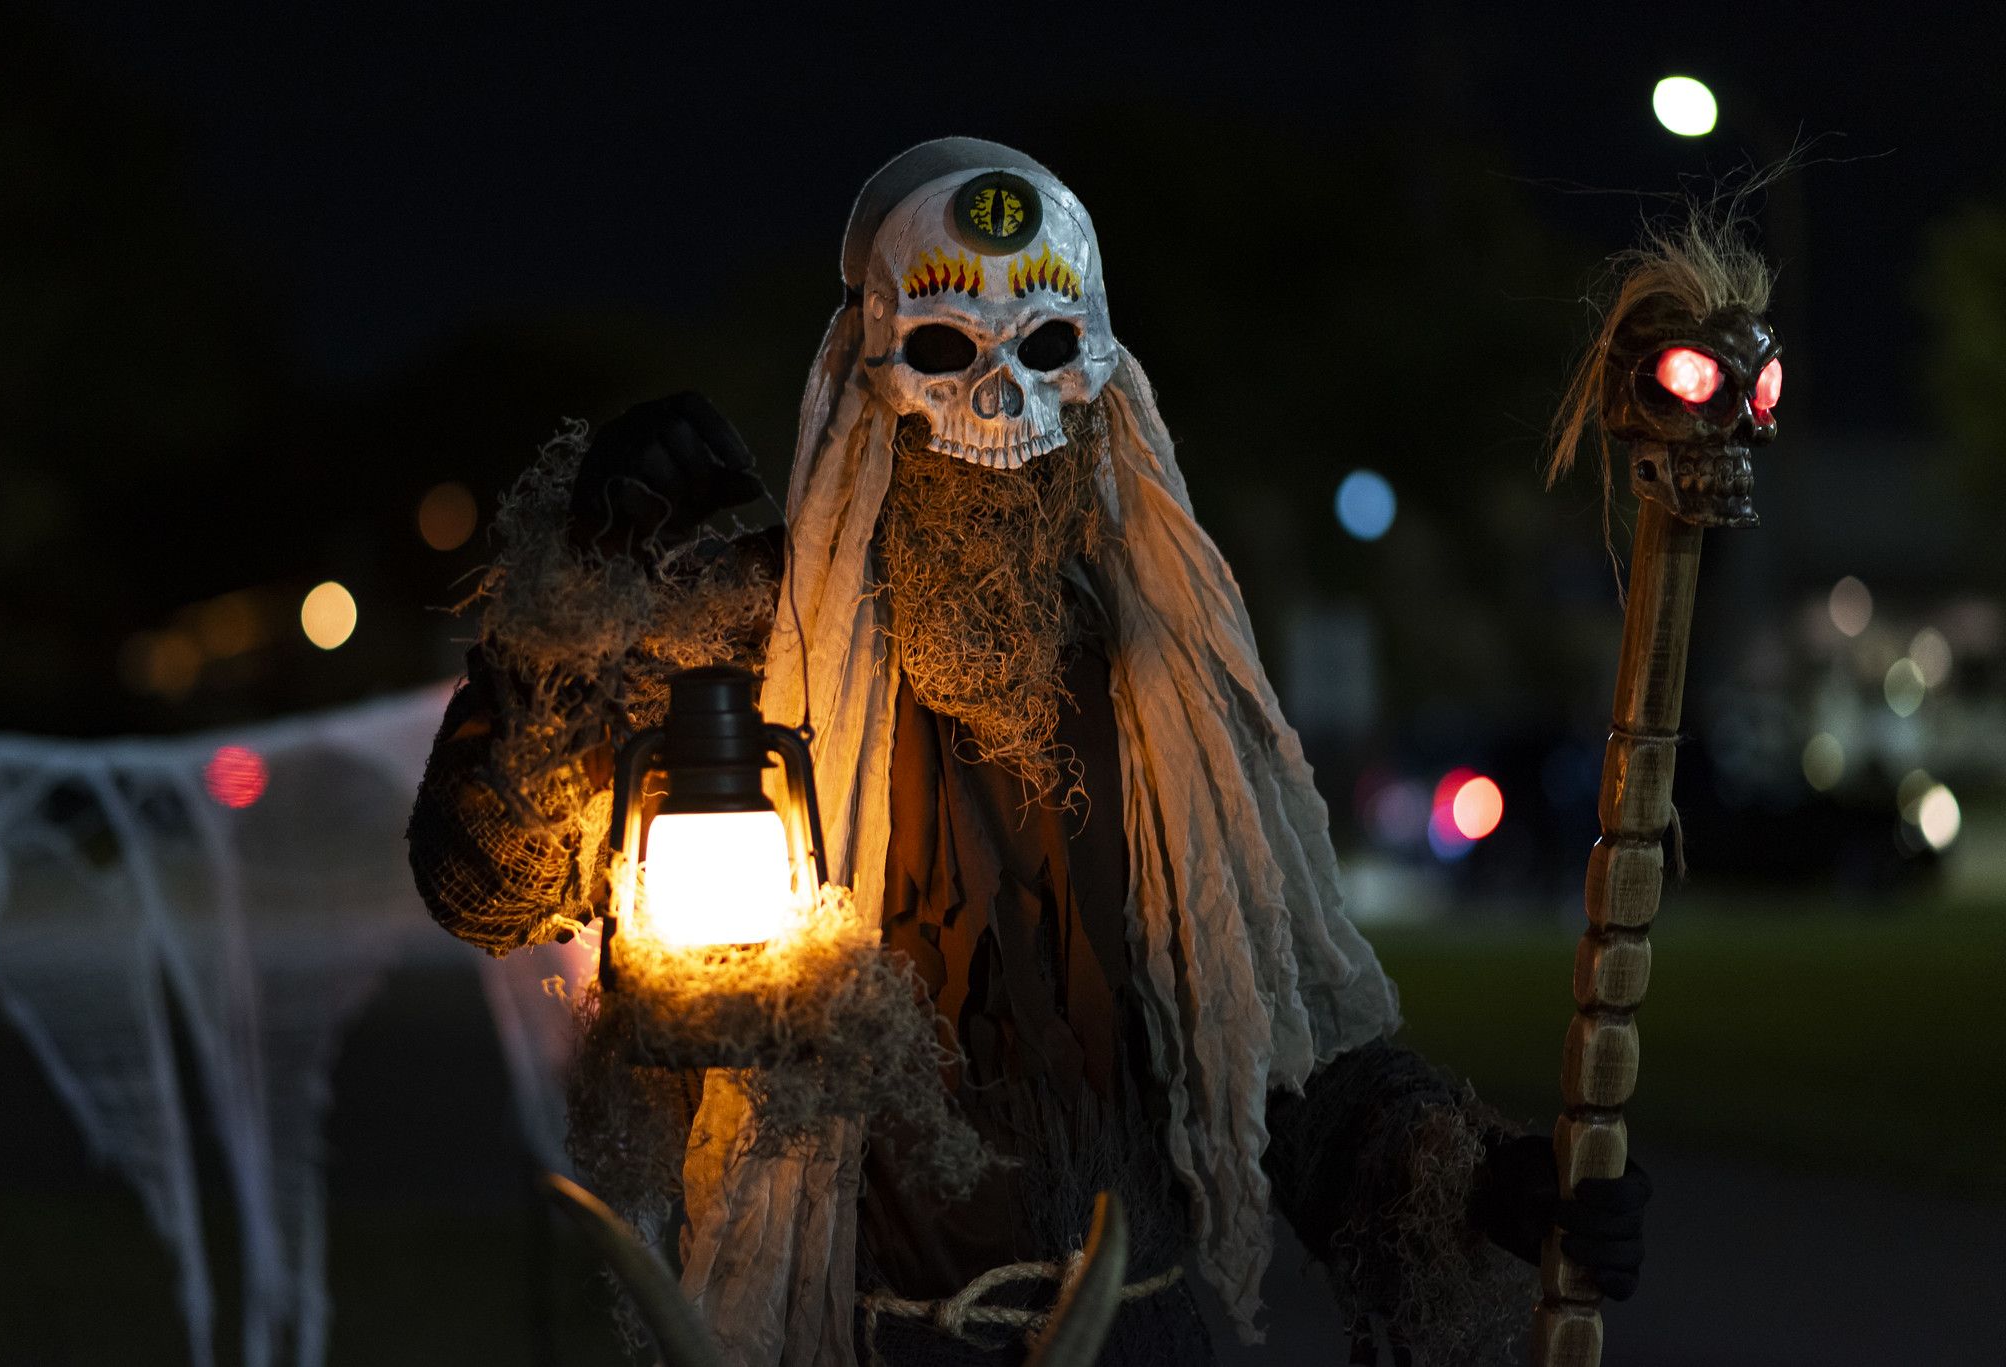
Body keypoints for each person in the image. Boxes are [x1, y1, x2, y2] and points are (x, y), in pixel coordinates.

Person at [408, 138, 1646, 1367]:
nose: (997, 404)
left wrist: (1484, 1183)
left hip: (1134, 1335)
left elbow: (1276, 1070)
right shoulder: (746, 651)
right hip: (863, 1342)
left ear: (1100, 382)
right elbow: (486, 881)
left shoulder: (1165, 699)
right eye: (944, 351)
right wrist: (570, 607)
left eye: (1045, 351)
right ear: (865, 375)